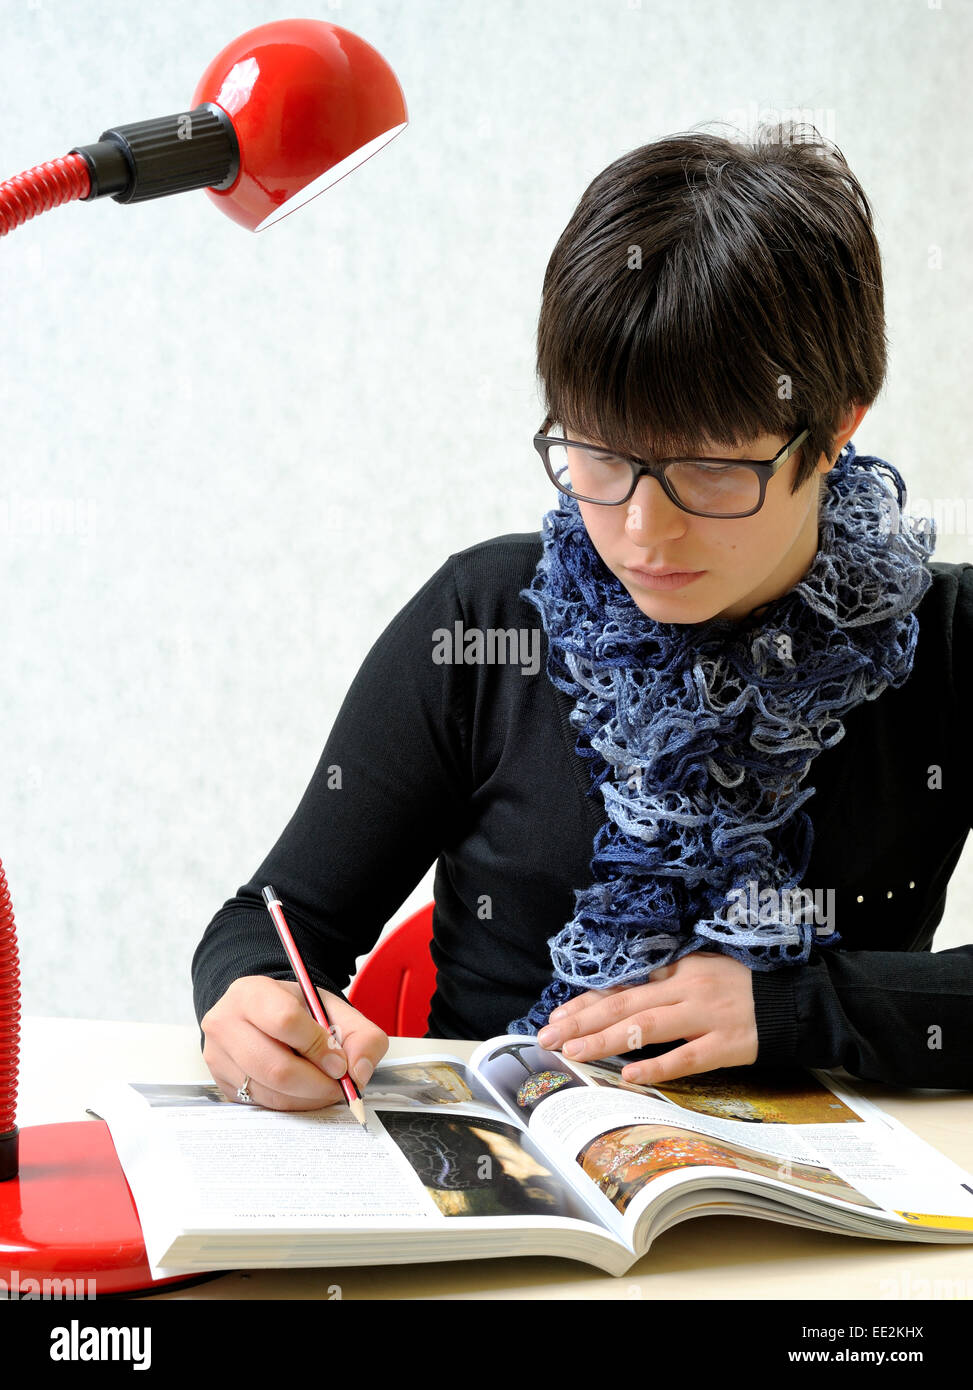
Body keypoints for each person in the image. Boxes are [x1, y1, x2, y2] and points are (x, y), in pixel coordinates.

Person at [192, 121, 973, 1111]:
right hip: (508, 1190)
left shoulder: (946, 640)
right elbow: (272, 923)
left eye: (708, 468)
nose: (643, 529)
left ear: (837, 426)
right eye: (598, 458)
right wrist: (250, 1001)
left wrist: (794, 1006)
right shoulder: (483, 618)